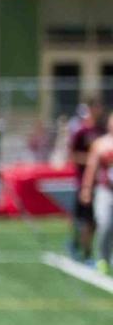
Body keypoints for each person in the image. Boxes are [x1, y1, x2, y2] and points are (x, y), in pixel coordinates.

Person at [68, 100, 102, 262]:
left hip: (99, 183)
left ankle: (86, 250)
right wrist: (92, 159)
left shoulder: (101, 131)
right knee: (82, 218)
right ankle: (78, 245)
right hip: (83, 181)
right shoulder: (81, 132)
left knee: (93, 220)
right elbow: (73, 155)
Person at [79, 113, 113, 273]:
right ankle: (103, 259)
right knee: (105, 224)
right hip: (105, 190)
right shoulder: (100, 144)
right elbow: (92, 167)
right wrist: (86, 188)